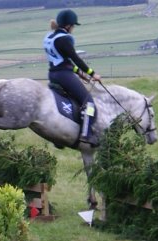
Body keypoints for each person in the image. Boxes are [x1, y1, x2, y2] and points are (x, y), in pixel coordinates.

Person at [43, 9, 102, 146]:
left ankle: (58, 135)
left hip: (53, 75)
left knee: (69, 101)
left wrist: (80, 74)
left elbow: (62, 61)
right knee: (89, 103)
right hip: (64, 76)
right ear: (68, 25)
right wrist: (93, 74)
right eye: (73, 26)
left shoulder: (49, 37)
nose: (73, 29)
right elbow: (75, 59)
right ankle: (86, 134)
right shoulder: (64, 39)